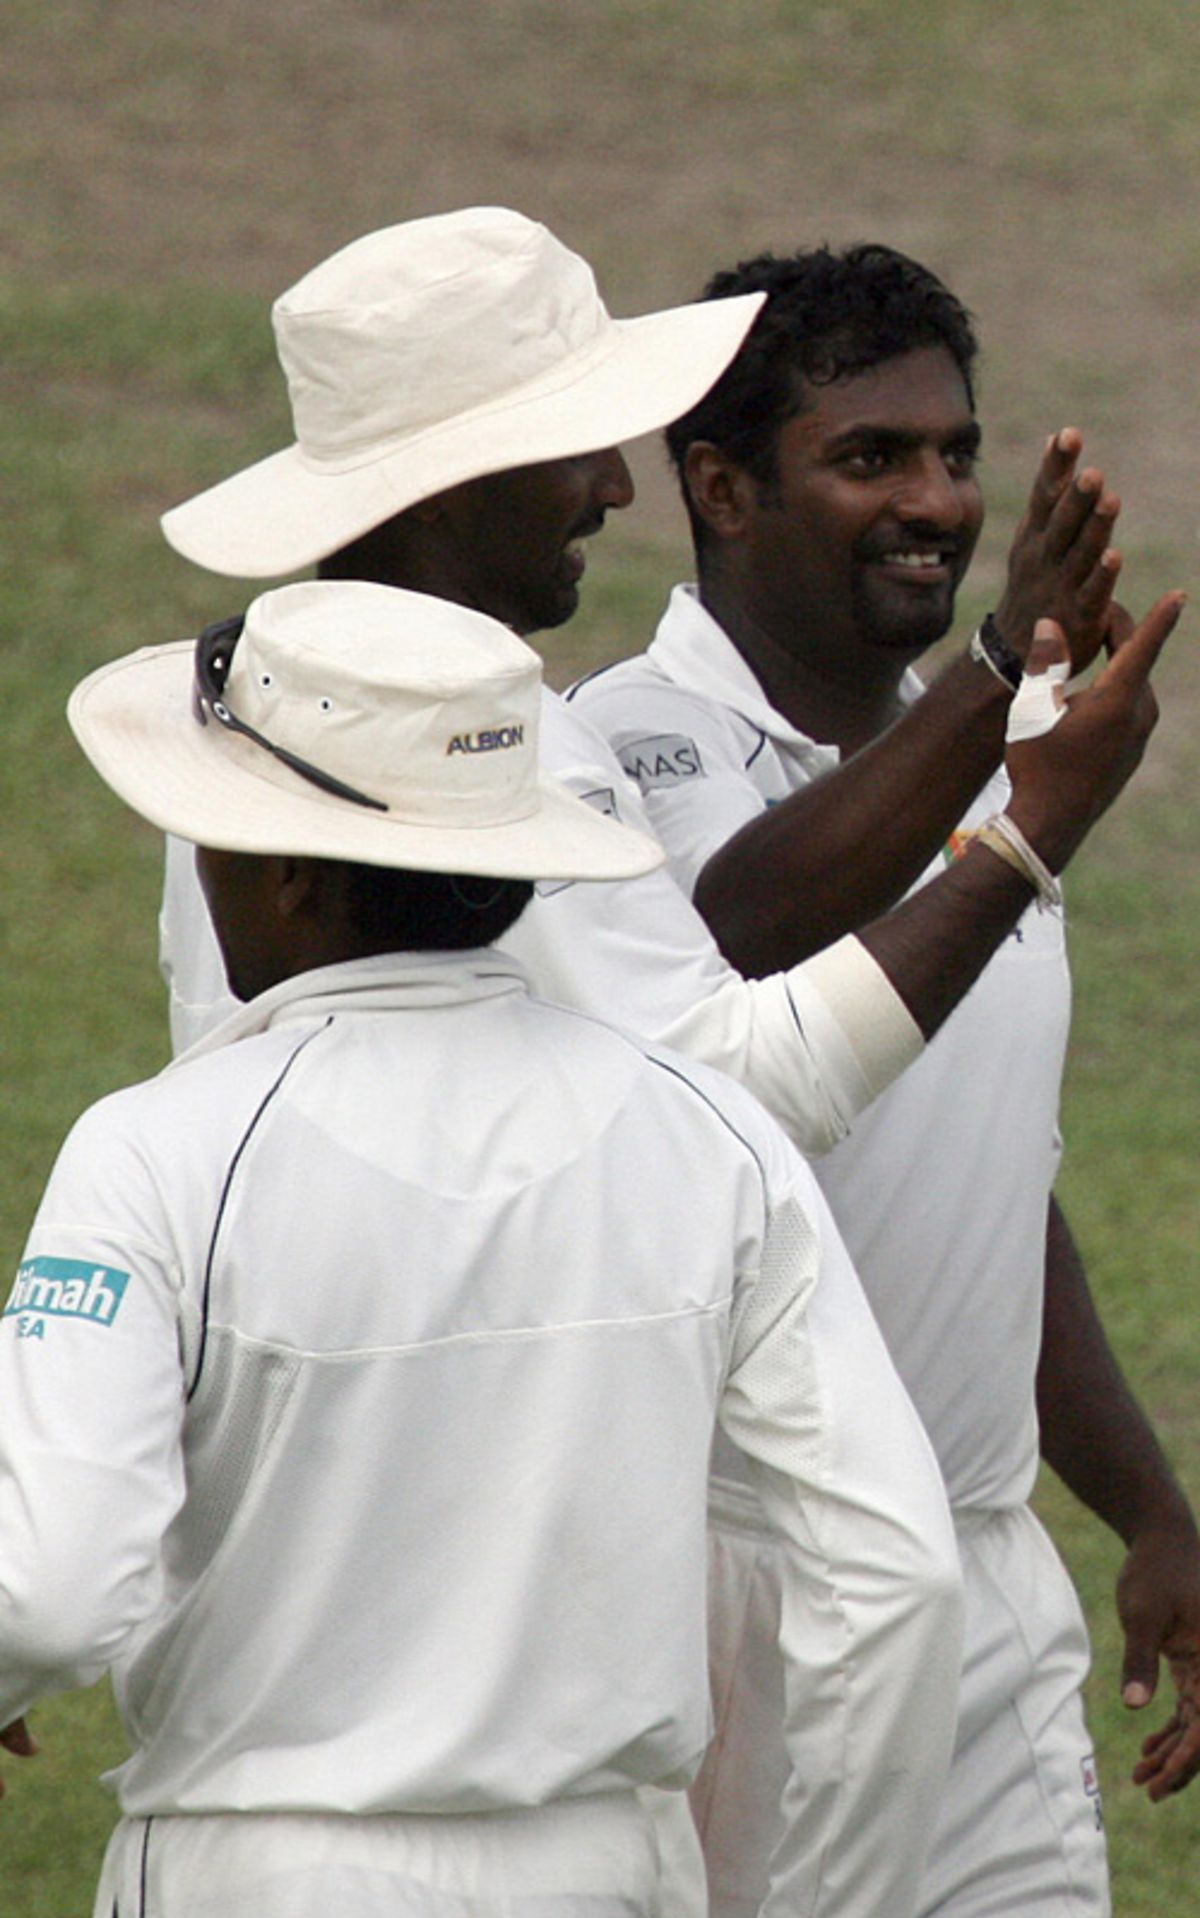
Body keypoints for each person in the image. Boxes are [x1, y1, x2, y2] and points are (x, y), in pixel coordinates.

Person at [0, 578, 966, 1918]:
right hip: (616, 1873)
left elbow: (47, 1591)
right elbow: (898, 1578)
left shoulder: (160, 1148)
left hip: (260, 1869)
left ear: (285, 869)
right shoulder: (708, 1140)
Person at [568, 241, 1200, 1917]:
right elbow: (751, 926)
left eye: (955, 453)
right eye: (870, 459)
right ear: (720, 486)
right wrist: (1008, 715)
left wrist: (1146, 1508)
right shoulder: (617, 748)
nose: (934, 498)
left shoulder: (998, 753)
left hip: (979, 1580)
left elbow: (989, 1172)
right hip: (722, 1592)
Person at [156, 208, 1150, 1179]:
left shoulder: (248, 722)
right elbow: (740, 1091)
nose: (618, 487)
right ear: (452, 484)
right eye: (576, 445)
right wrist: (1028, 832)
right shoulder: (486, 751)